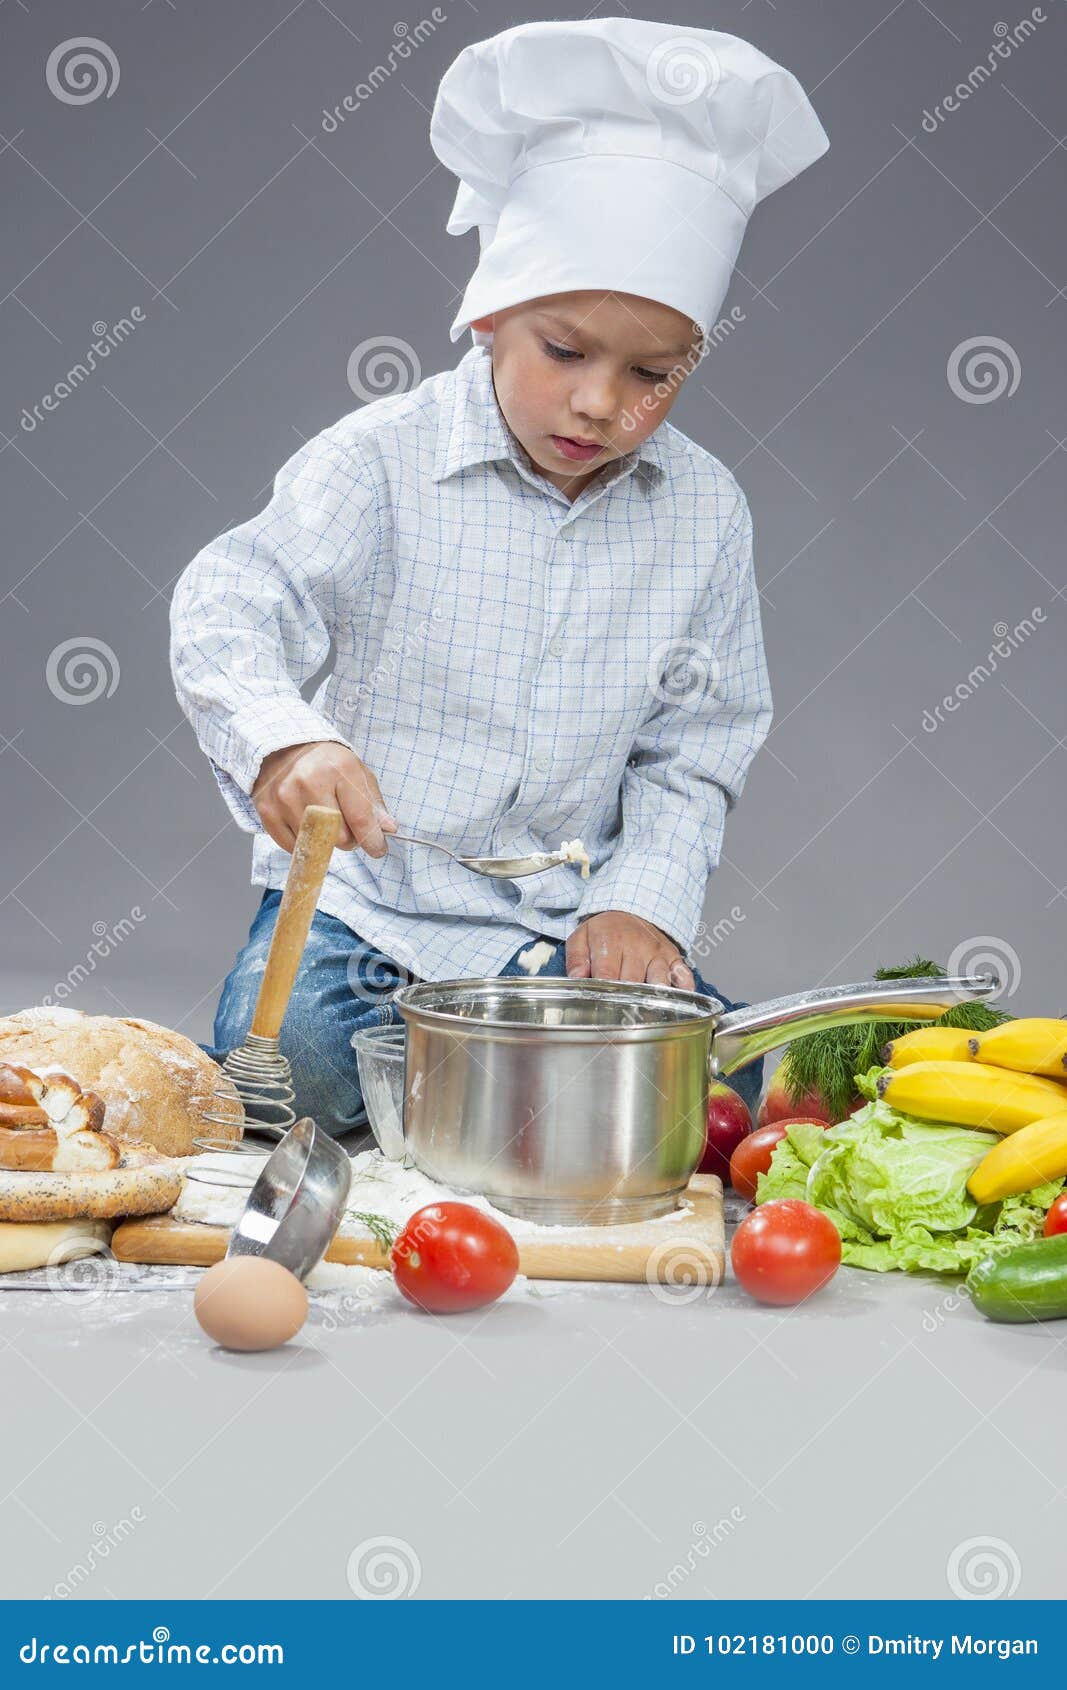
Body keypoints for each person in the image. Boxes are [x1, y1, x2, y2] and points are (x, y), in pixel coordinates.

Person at [169, 18, 829, 1136]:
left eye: (650, 374)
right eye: (563, 351)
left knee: (744, 1096)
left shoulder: (704, 510)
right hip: (370, 921)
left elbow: (695, 750)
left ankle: (499, 1101)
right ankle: (470, 1104)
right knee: (302, 1072)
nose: (596, 402)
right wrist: (284, 734)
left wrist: (636, 901)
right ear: (487, 314)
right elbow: (228, 601)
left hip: (567, 937)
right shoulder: (379, 461)